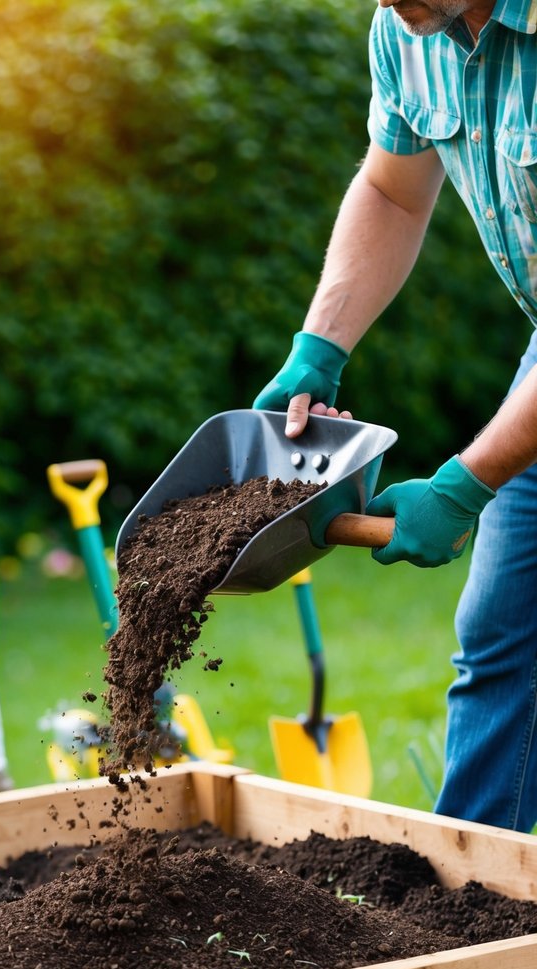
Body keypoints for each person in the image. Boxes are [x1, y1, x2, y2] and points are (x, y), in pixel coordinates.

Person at [254, 0, 537, 833]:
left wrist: (465, 482)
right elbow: (394, 190)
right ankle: (478, 922)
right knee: (501, 640)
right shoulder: (406, 31)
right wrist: (319, 348)